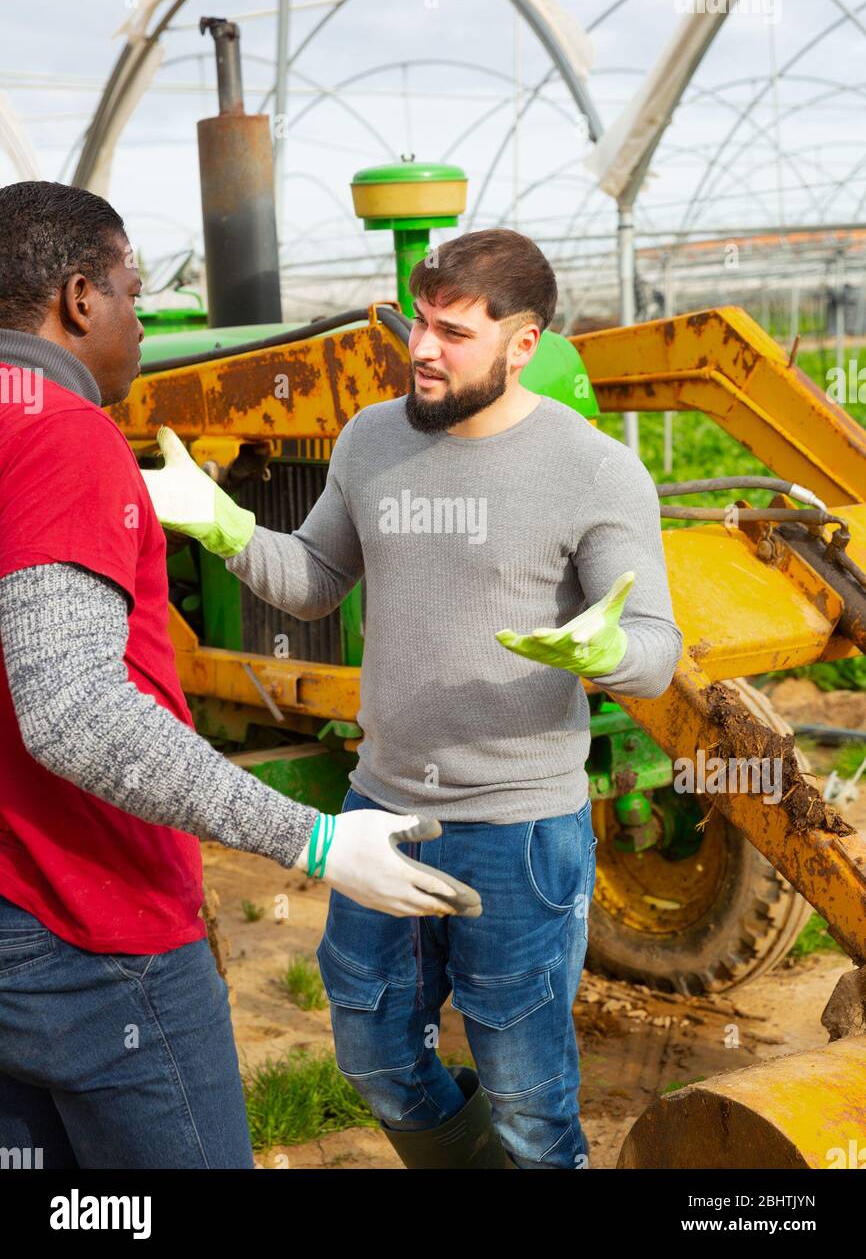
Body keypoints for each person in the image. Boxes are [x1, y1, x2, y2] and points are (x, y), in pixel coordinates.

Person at [147, 226, 684, 1169]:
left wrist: (607, 652)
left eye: (454, 332)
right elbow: (315, 578)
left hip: (519, 831)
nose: (423, 349)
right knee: (375, 1052)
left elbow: (658, 650)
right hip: (381, 811)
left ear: (524, 345)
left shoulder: (594, 469)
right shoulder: (372, 438)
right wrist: (225, 528)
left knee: (528, 1095)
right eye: (417, 322)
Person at [0, 180, 478, 1172]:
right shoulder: (63, 430)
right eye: (134, 294)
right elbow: (75, 711)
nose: (138, 323)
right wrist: (309, 838)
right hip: (98, 928)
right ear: (80, 298)